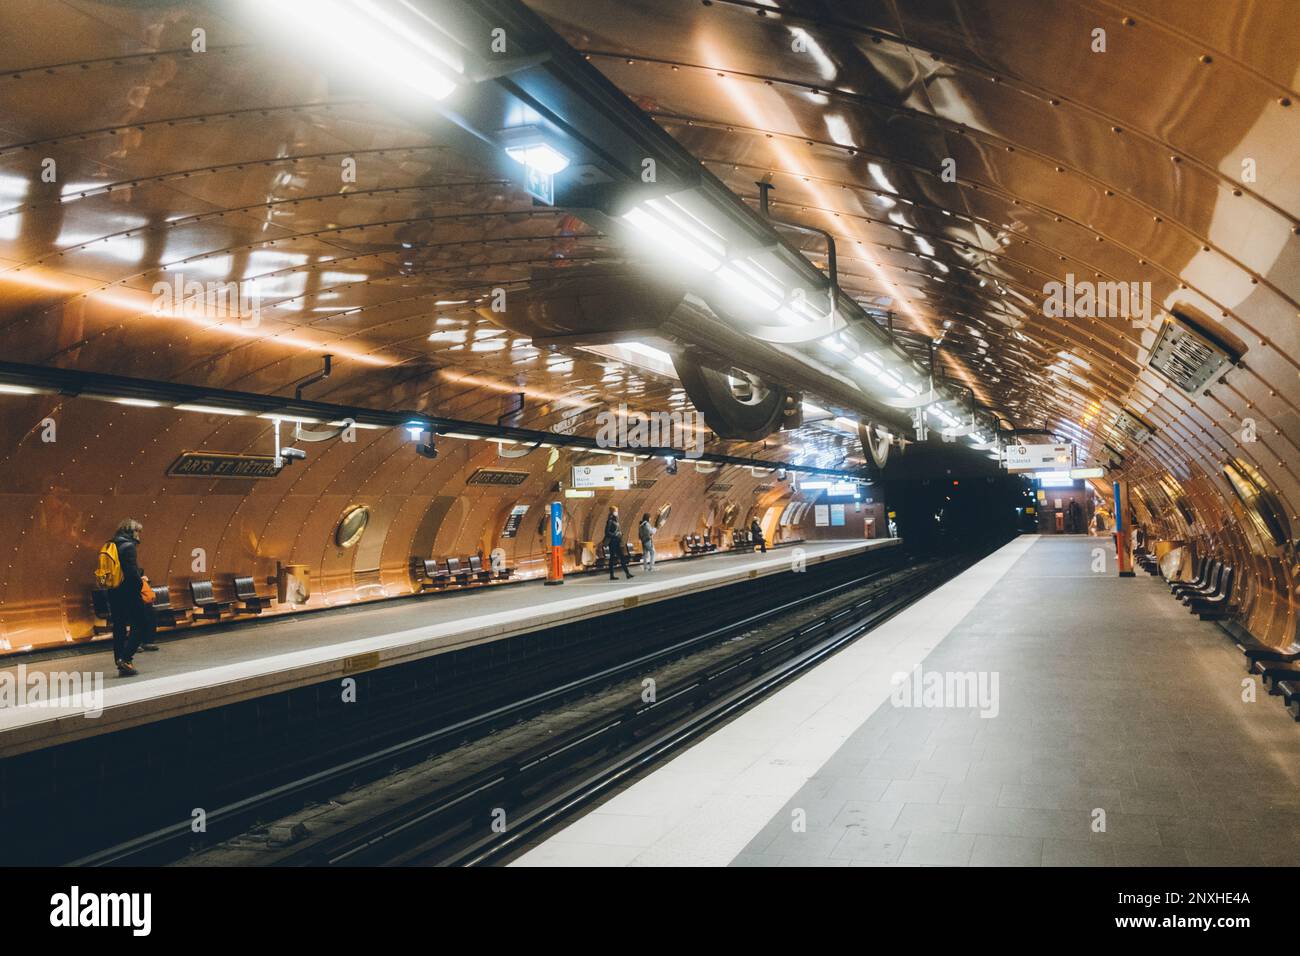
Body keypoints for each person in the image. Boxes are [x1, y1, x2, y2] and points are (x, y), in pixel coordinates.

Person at [100, 518, 158, 677]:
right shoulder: (129, 547)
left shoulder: (110, 544)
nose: (139, 534)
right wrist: (141, 583)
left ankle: (119, 660)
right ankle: (126, 658)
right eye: (137, 531)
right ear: (131, 531)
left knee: (119, 627)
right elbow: (131, 573)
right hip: (129, 592)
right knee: (141, 623)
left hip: (113, 591)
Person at [605, 506, 633, 580]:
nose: (617, 513)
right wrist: (615, 534)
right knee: (612, 558)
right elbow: (607, 532)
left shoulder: (616, 520)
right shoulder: (610, 521)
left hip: (617, 541)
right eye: (616, 511)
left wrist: (619, 534)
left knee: (621, 556)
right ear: (612, 512)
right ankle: (612, 575)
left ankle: (627, 573)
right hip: (612, 542)